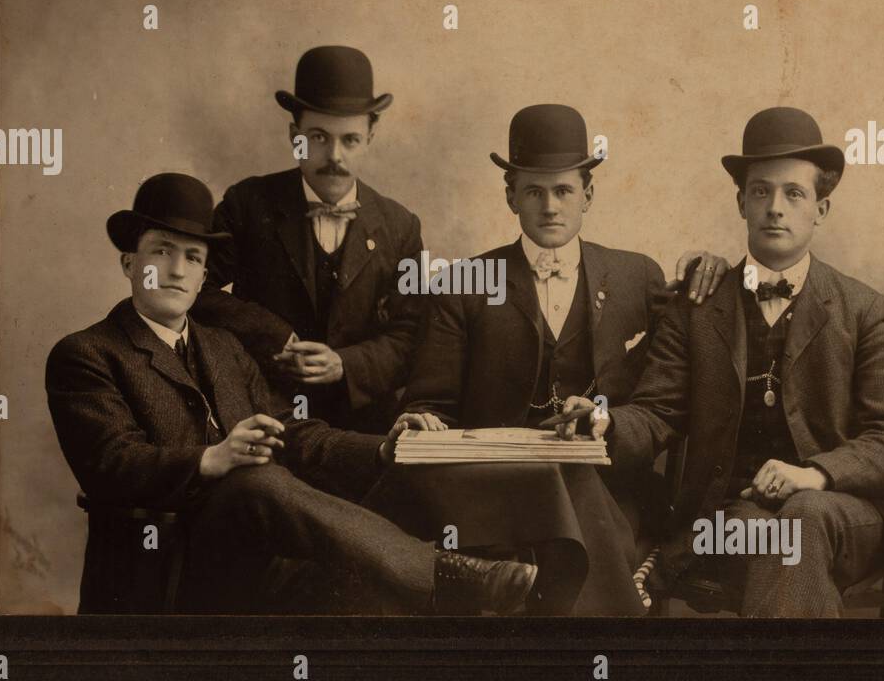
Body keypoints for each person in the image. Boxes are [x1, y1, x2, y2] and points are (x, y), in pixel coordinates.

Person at [46, 172, 535, 616]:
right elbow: (112, 465)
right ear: (129, 262)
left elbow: (297, 435)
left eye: (192, 257)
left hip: (260, 568)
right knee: (257, 481)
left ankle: (455, 594)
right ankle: (446, 576)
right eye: (161, 251)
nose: (176, 269)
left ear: (203, 277)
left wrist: (388, 445)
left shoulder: (224, 347)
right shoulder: (88, 354)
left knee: (375, 587)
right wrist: (212, 459)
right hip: (165, 573)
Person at [591, 107, 884, 617]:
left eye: (794, 193)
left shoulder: (864, 310)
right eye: (760, 191)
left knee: (801, 517)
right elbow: (657, 412)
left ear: (821, 209)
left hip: (848, 513)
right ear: (741, 204)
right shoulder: (699, 307)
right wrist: (604, 421)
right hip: (733, 515)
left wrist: (815, 474)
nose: (776, 207)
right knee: (768, 529)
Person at [392, 104, 728, 615]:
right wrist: (425, 421)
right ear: (511, 197)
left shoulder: (638, 277)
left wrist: (715, 268)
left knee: (583, 522)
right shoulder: (461, 284)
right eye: (533, 191)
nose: (549, 205)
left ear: (587, 195)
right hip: (498, 497)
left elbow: (676, 363)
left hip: (609, 489)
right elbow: (432, 402)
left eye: (564, 190)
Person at [192, 46, 423, 433]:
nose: (334, 156)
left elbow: (411, 333)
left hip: (363, 427)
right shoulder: (248, 203)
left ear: (370, 138)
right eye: (318, 137)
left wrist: (346, 364)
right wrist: (272, 334)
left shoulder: (399, 225)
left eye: (350, 140)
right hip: (262, 413)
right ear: (294, 136)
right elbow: (196, 287)